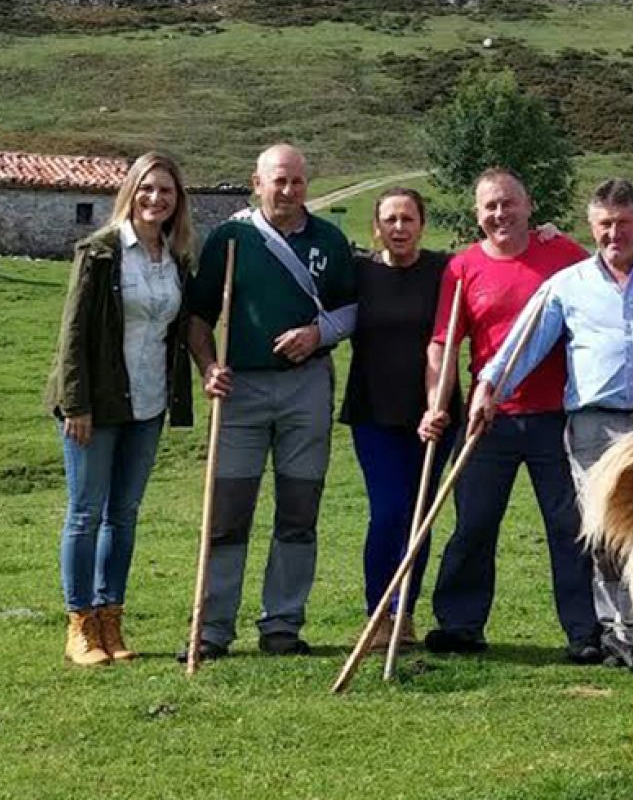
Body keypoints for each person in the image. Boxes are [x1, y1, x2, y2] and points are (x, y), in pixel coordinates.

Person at [467, 179, 633, 673]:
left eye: (624, 223)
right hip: (594, 427)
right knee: (609, 529)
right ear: (592, 228)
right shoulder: (568, 284)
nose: (615, 234)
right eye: (605, 225)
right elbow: (525, 342)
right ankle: (619, 632)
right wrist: (489, 386)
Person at [179, 144, 358, 662]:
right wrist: (209, 368)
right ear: (257, 183)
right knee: (227, 514)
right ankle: (212, 629)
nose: (288, 190)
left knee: (299, 512)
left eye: (297, 181)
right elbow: (197, 317)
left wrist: (316, 332)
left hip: (306, 388)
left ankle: (282, 625)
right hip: (241, 393)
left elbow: (352, 310)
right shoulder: (230, 240)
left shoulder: (329, 240)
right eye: (278, 181)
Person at [417, 168, 602, 663]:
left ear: (529, 205)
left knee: (571, 528)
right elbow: (443, 343)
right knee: (473, 524)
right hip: (488, 419)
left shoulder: (564, 256)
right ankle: (459, 624)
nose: (500, 214)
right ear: (477, 214)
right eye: (489, 206)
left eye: (508, 203)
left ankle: (587, 631)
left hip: (556, 417)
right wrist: (438, 405)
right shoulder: (461, 268)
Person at [45, 151, 196, 666]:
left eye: (167, 192)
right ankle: (80, 625)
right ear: (130, 192)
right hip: (98, 404)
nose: (156, 199)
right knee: (85, 513)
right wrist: (75, 404)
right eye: (147, 189)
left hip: (149, 403)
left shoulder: (177, 259)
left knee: (124, 515)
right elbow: (73, 334)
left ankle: (112, 620)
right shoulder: (102, 251)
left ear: (178, 202)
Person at [339, 188, 459, 651]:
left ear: (422, 225)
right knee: (387, 513)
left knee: (418, 519)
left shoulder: (444, 270)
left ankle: (404, 614)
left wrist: (545, 234)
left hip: (433, 414)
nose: (400, 227)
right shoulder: (361, 273)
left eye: (408, 219)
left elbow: (497, 260)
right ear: (376, 227)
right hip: (374, 412)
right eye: (390, 219)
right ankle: (377, 614)